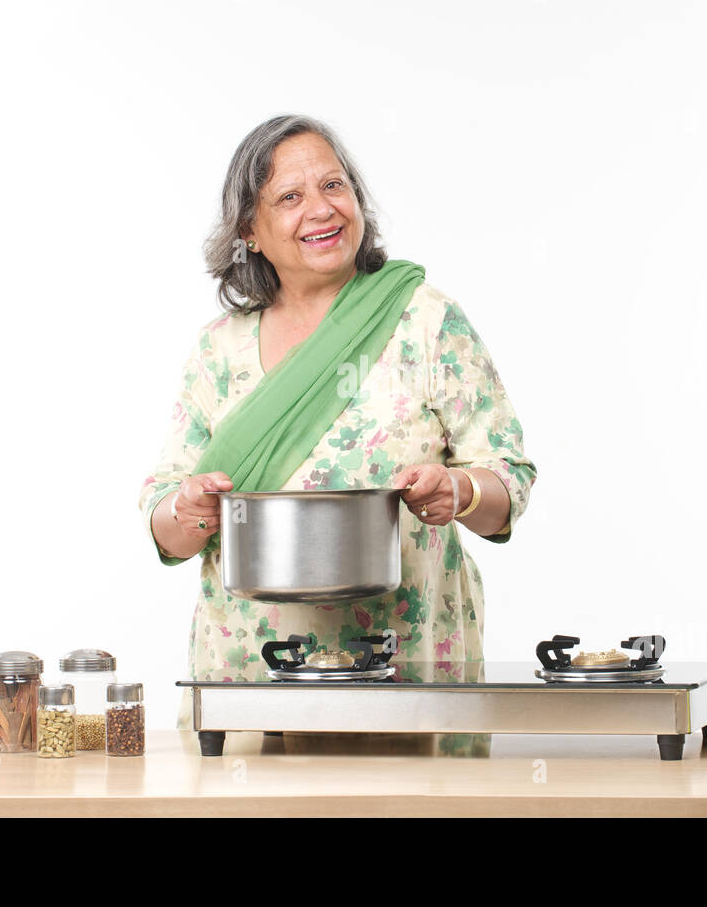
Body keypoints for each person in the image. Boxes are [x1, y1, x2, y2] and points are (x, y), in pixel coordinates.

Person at [139, 114, 536, 719]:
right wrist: (187, 507)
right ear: (250, 230)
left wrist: (458, 489)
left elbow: (508, 480)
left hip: (410, 670)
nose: (321, 210)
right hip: (250, 673)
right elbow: (166, 525)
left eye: (333, 186)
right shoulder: (218, 351)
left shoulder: (423, 321)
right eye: (290, 197)